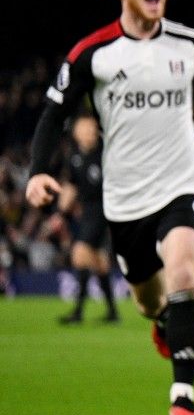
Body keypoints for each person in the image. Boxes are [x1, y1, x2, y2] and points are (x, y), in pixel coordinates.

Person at [26, 0, 194, 415]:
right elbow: (54, 113)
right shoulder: (94, 54)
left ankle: (183, 396)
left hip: (185, 179)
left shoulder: (191, 45)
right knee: (150, 300)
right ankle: (165, 324)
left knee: (184, 271)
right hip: (126, 197)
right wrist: (39, 171)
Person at [56, 115, 120, 324]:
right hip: (88, 211)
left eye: (93, 129)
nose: (90, 132)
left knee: (79, 253)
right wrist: (60, 209)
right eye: (85, 129)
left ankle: (78, 311)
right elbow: (72, 185)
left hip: (103, 209)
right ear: (76, 132)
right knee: (100, 262)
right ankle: (112, 312)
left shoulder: (104, 154)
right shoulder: (74, 156)